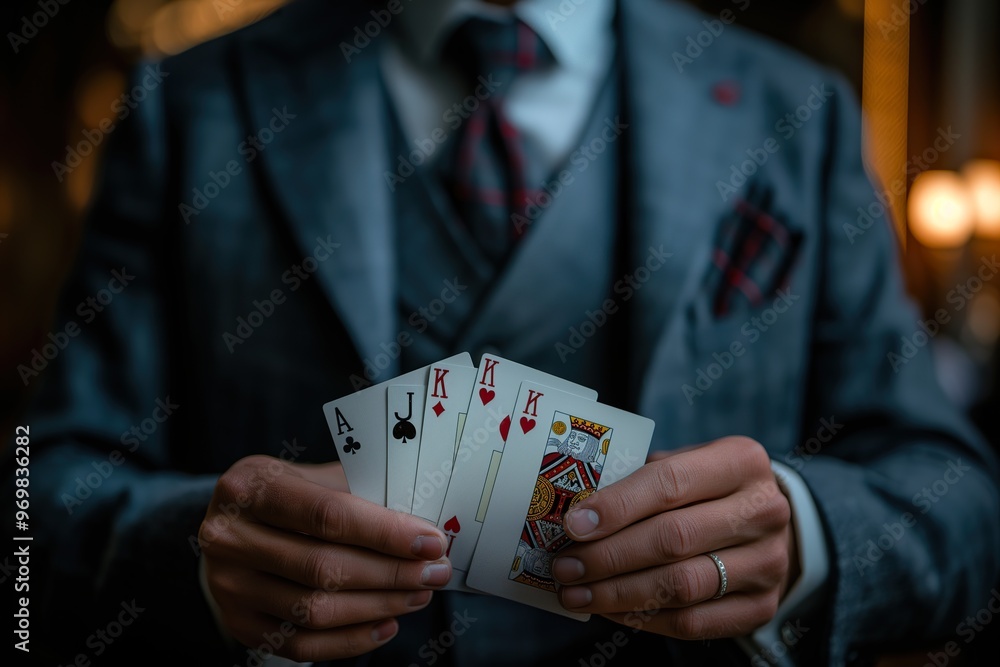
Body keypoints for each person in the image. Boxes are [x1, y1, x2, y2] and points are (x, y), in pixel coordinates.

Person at [7, 0, 999, 665]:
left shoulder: (797, 112)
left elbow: (958, 504)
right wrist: (195, 554)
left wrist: (803, 535)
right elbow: (36, 498)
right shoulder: (189, 107)